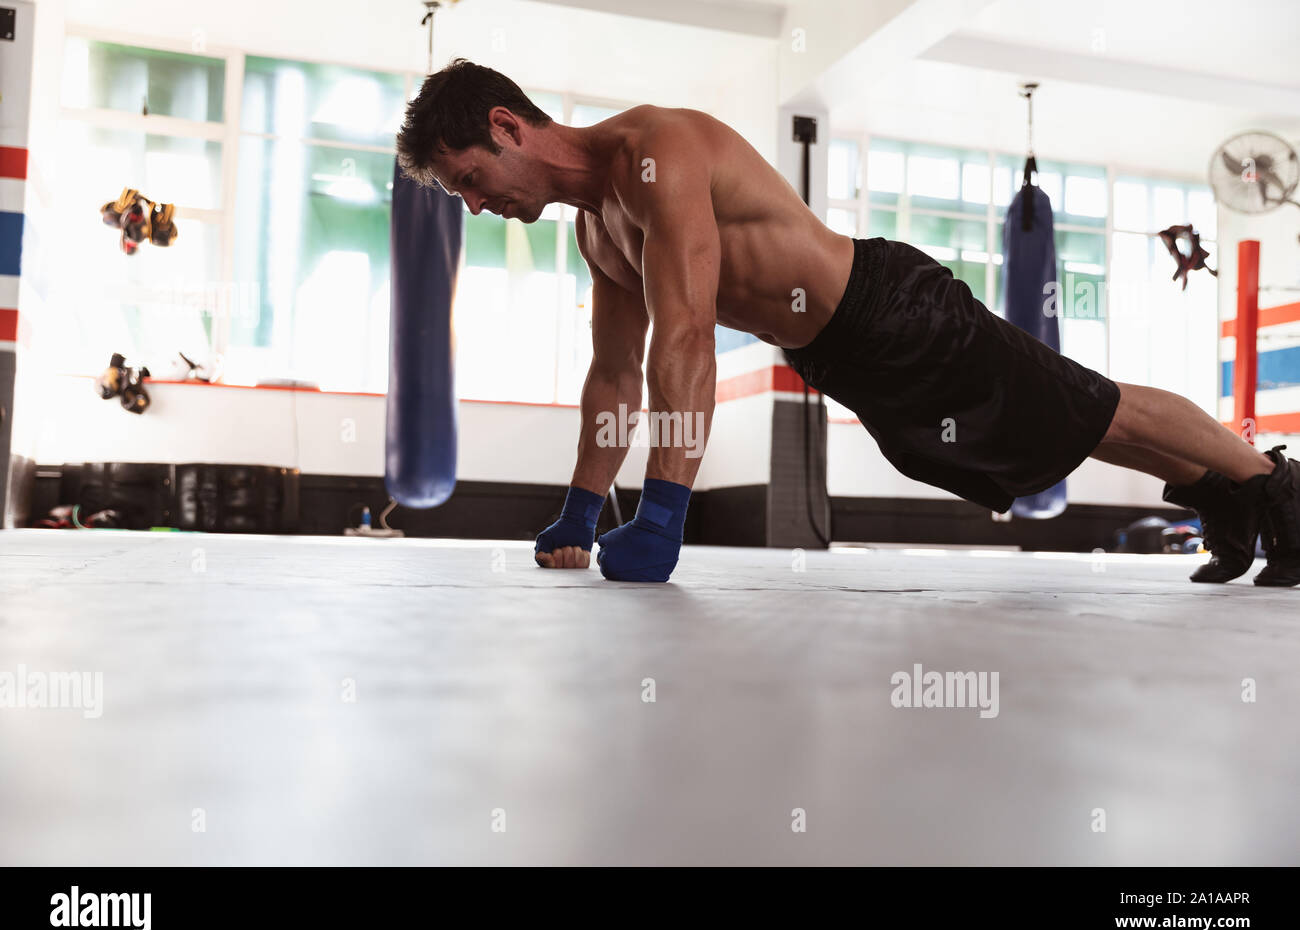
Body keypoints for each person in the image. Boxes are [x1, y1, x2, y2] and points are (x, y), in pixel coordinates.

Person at [396, 59, 1300, 586]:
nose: (474, 207)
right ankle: (1230, 497)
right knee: (1059, 432)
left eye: (467, 179)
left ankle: (1271, 485)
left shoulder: (653, 155)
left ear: (508, 127)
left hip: (891, 308)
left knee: (1098, 409)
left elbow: (685, 336)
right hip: (844, 354)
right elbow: (612, 375)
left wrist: (666, 514)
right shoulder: (599, 232)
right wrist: (580, 510)